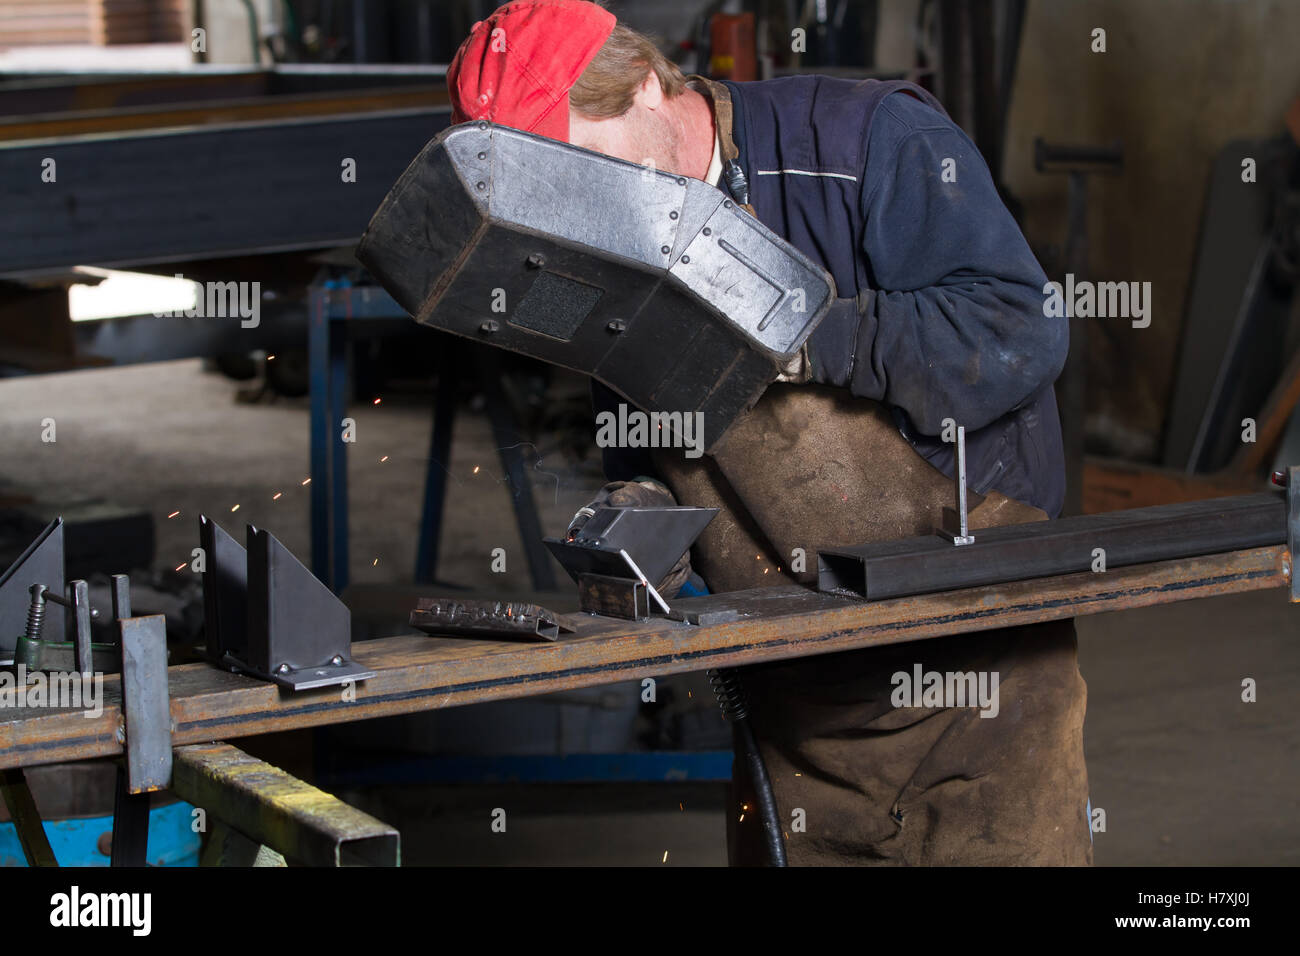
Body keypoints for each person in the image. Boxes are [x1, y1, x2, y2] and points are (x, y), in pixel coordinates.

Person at [446, 0, 1091, 865]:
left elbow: (1023, 328)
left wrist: (798, 338)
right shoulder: (608, 260)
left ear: (643, 87)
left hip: (975, 667)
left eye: (581, 177)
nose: (576, 225)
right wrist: (640, 513)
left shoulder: (868, 146)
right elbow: (651, 449)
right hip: (793, 695)